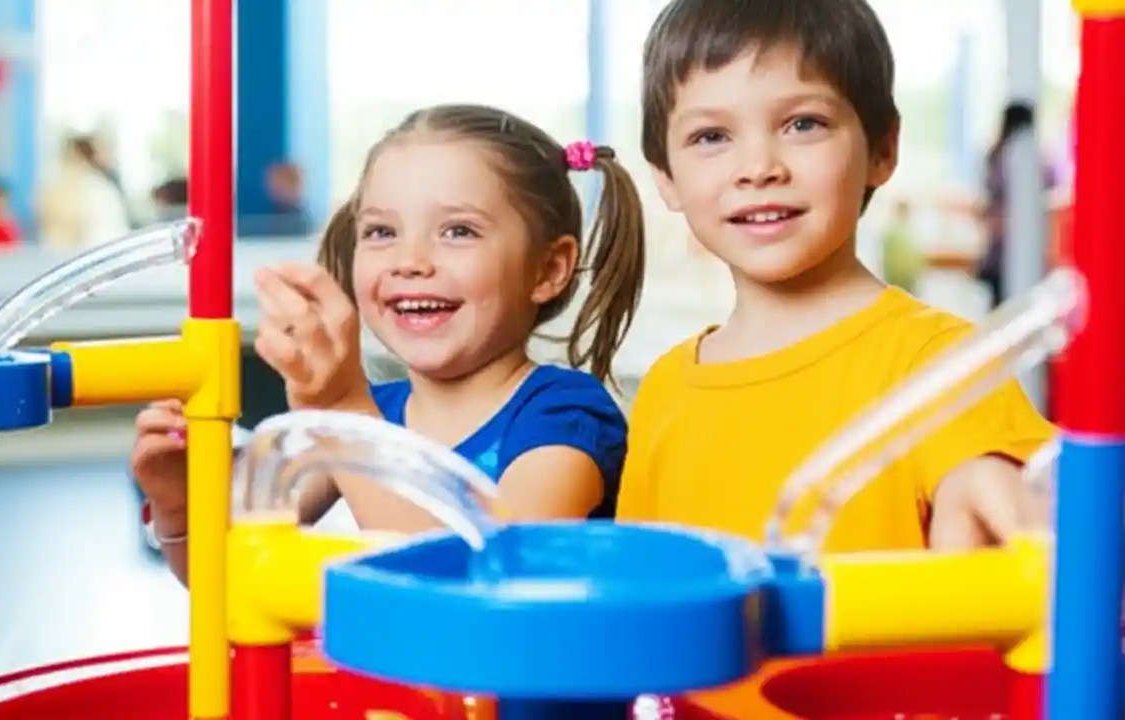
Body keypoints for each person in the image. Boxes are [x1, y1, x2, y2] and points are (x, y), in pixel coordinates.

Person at [133, 104, 648, 583]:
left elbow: (480, 587)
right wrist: (181, 505)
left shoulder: (565, 415)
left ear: (549, 268)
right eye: (381, 232)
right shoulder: (371, 416)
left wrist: (344, 410)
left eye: (459, 231)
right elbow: (226, 579)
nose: (410, 260)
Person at [617, 0, 1054, 554]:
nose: (759, 168)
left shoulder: (939, 364)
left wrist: (980, 484)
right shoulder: (664, 391)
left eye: (804, 124)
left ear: (882, 149)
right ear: (665, 177)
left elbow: (1008, 502)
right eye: (711, 137)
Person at [976, 101, 1057, 308]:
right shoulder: (1036, 158)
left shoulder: (996, 155)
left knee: (1000, 309)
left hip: (998, 243)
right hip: (1021, 243)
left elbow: (988, 201)